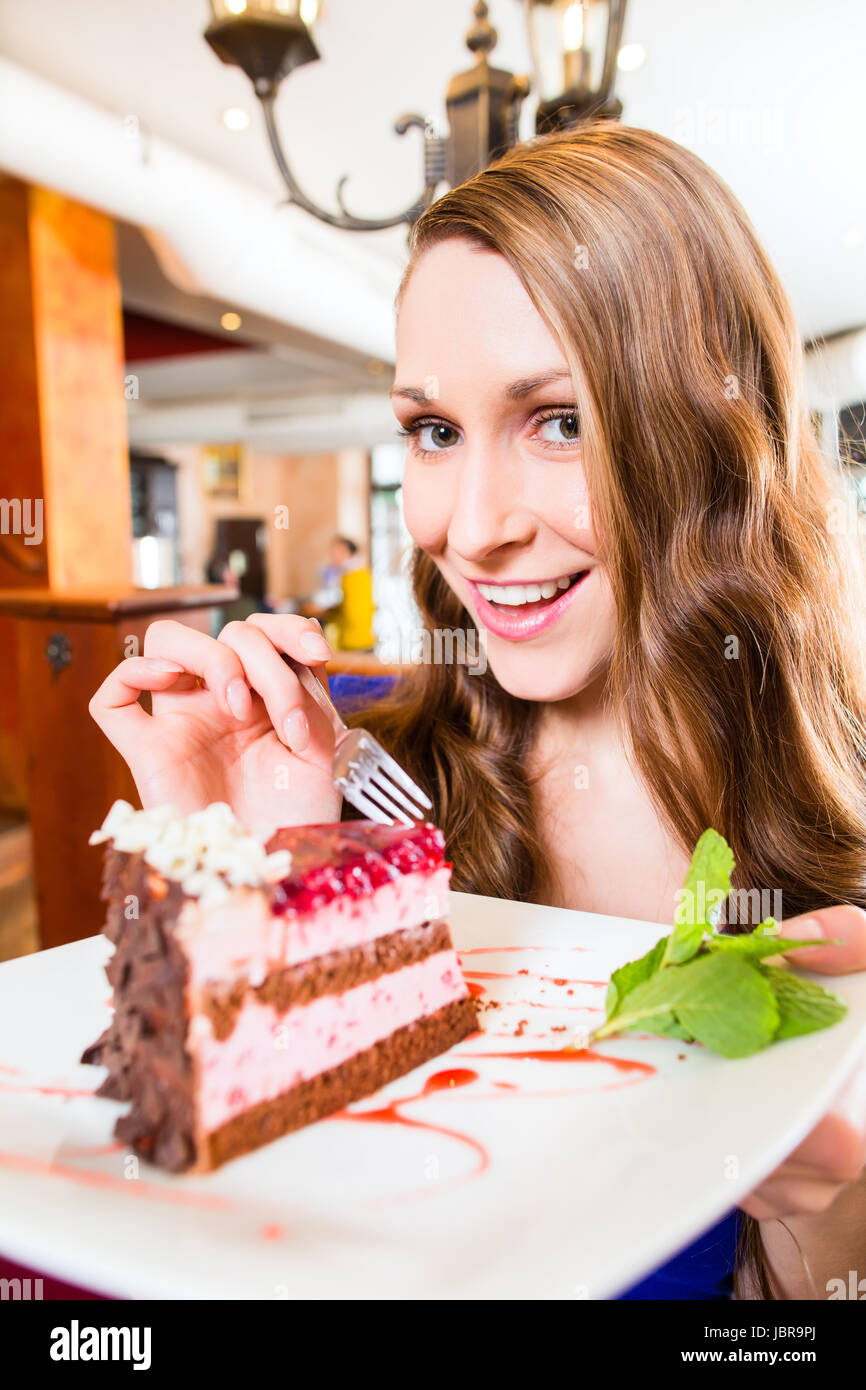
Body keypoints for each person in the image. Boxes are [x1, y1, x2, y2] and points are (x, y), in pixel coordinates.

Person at [89, 124, 866, 1300]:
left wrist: (832, 1201)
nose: (468, 523)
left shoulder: (838, 850)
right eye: (433, 432)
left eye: (558, 419)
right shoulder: (369, 786)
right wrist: (234, 874)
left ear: (718, 434)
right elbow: (239, 1240)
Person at [304, 536, 376, 652]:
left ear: (344, 550)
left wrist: (321, 610)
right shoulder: (358, 572)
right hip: (360, 638)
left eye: (334, 550)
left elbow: (349, 609)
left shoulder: (353, 575)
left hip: (355, 640)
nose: (331, 554)